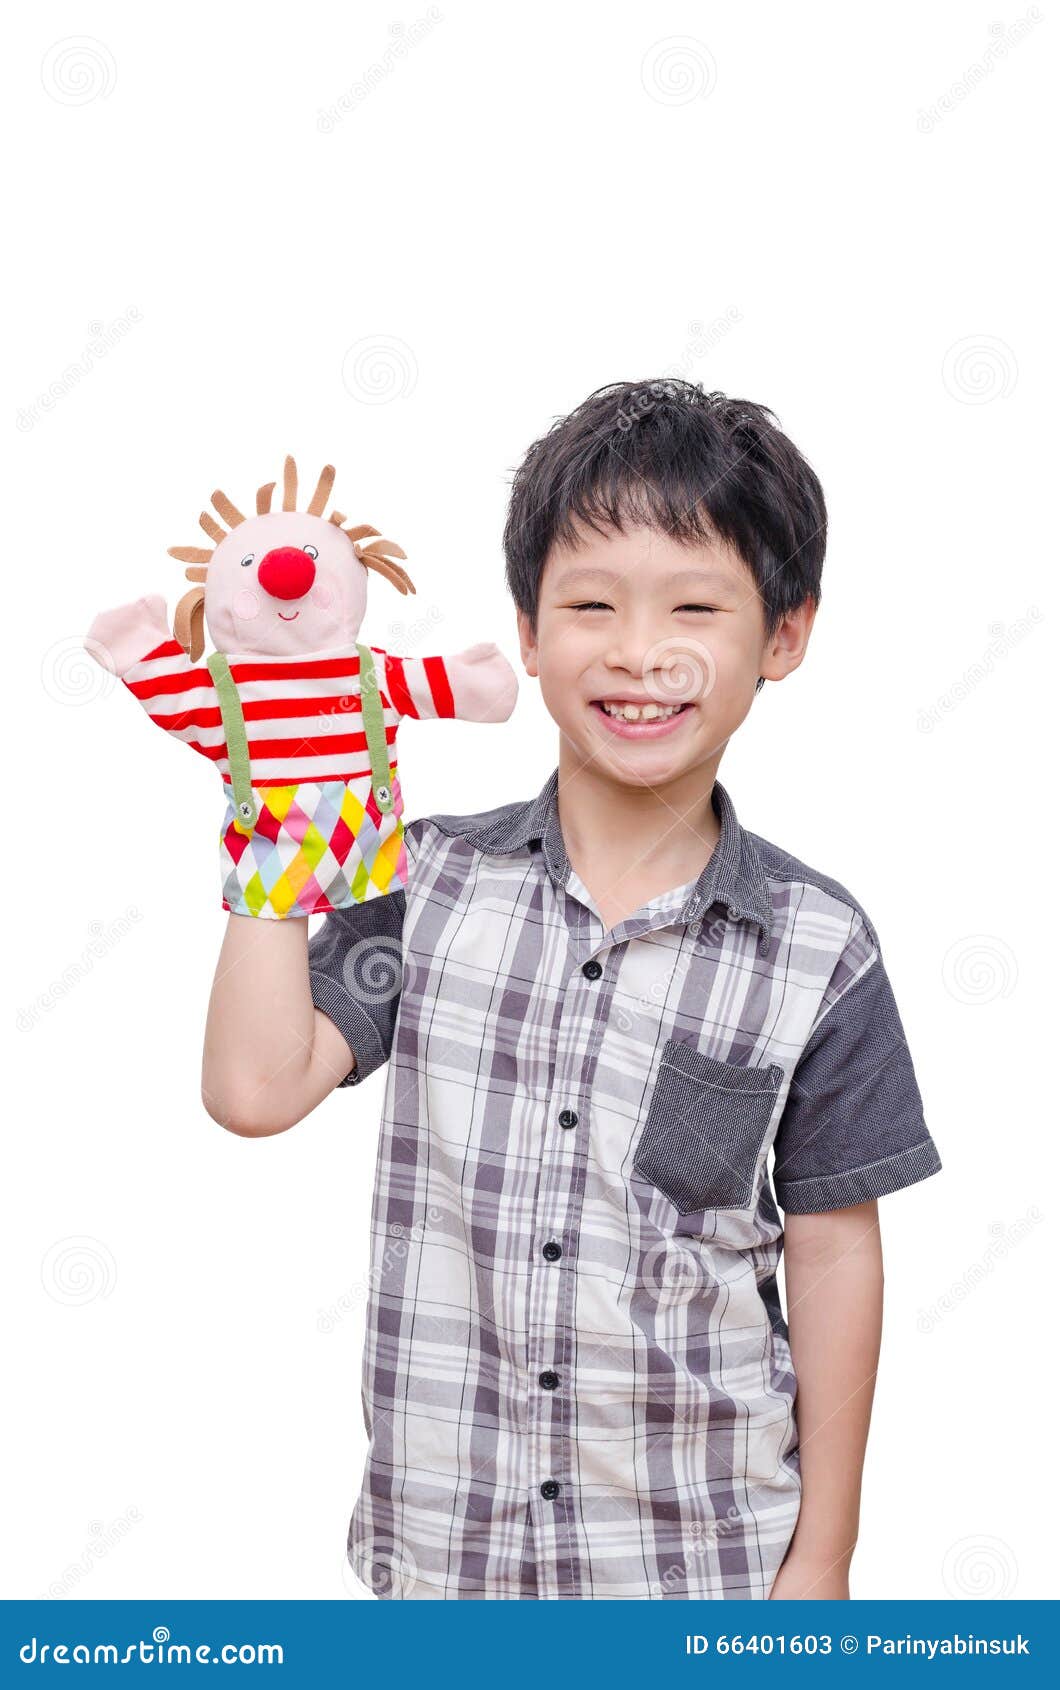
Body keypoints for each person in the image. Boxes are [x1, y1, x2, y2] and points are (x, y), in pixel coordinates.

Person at [202, 379, 942, 1601]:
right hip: (444, 1569)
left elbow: (831, 1251)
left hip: (698, 1564)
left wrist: (825, 1555)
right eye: (590, 604)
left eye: (694, 606)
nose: (637, 651)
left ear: (784, 634)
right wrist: (269, 818)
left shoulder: (820, 945)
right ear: (529, 634)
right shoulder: (426, 883)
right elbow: (254, 1087)